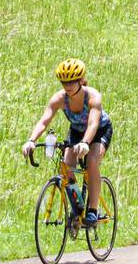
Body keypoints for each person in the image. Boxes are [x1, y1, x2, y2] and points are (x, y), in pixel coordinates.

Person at [22, 58, 113, 227]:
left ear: (80, 80)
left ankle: (92, 211)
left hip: (99, 130)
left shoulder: (93, 96)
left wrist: (86, 143)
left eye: (72, 81)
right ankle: (78, 206)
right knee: (66, 164)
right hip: (77, 132)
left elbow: (93, 123)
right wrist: (31, 140)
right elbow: (44, 121)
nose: (68, 86)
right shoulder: (59, 99)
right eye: (64, 82)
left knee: (92, 161)